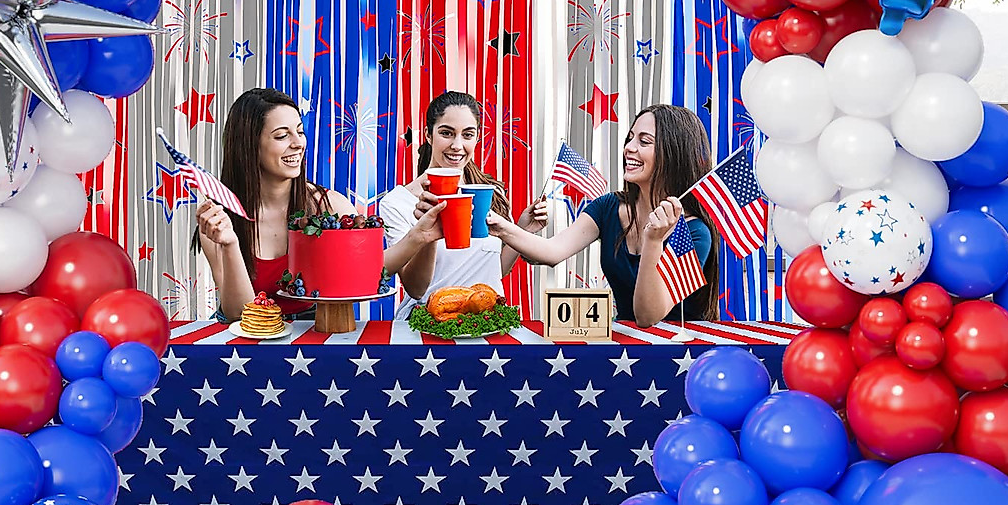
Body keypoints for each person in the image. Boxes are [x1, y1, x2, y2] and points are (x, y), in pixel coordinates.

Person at [195, 87, 443, 321]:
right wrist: (229, 244)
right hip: (247, 342)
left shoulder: (328, 205)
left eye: (300, 132)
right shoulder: (220, 219)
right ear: (249, 146)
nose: (298, 143)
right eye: (282, 135)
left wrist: (418, 236)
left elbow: (366, 269)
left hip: (313, 330)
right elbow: (239, 314)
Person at [489, 105, 720, 325]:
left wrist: (653, 240)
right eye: (630, 138)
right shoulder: (608, 207)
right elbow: (552, 251)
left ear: (673, 155)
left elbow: (648, 316)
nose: (629, 147)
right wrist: (500, 225)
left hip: (678, 355)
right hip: (622, 352)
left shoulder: (694, 232)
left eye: (644, 141)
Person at [379, 91, 548, 318]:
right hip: (428, 323)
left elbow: (494, 269)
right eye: (447, 133)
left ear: (477, 138)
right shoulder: (398, 202)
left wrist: (522, 229)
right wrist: (428, 233)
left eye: (467, 135)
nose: (457, 145)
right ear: (429, 135)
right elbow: (416, 289)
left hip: (486, 319)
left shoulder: (489, 192)